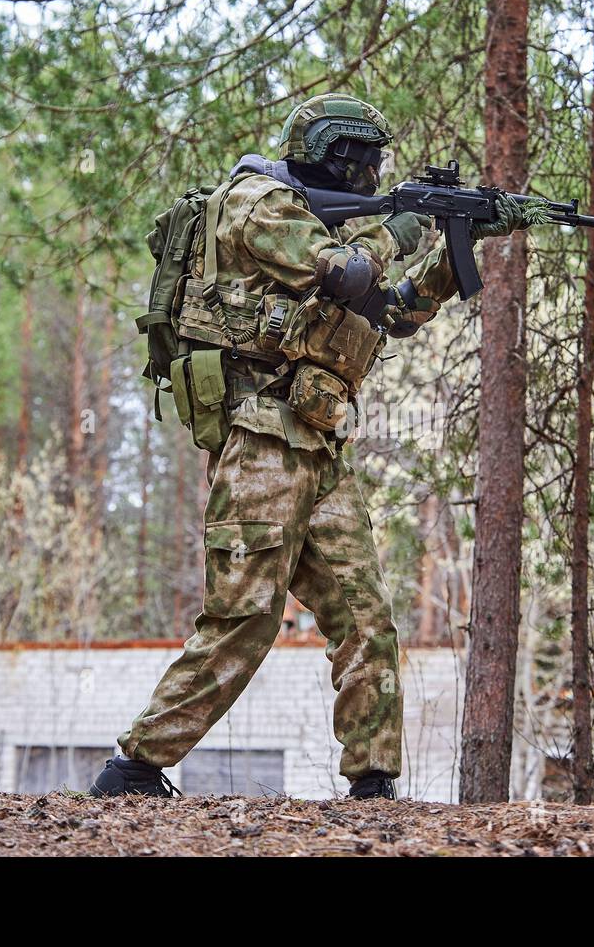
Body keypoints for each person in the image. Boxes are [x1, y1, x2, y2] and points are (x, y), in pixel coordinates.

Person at [90, 93, 531, 800]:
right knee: (244, 619)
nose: (375, 172)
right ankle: (133, 769)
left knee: (365, 618)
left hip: (319, 445)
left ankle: (372, 785)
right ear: (340, 154)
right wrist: (402, 227)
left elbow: (393, 311)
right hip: (262, 441)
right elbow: (348, 274)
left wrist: (461, 242)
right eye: (370, 160)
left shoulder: (329, 226)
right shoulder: (254, 203)